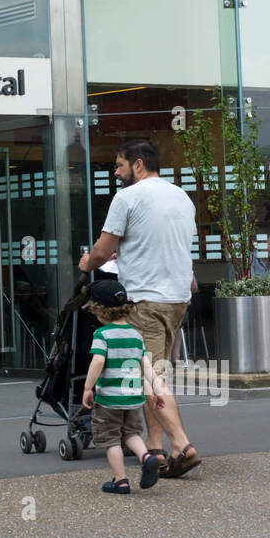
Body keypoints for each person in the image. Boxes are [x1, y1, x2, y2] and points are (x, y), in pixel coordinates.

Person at [78, 139, 200, 478]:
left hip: (145, 299)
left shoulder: (128, 197)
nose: (116, 173)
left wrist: (88, 261)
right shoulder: (181, 196)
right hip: (177, 299)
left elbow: (102, 251)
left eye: (119, 166)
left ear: (139, 164)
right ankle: (156, 450)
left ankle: (182, 445)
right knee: (154, 372)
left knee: (150, 379)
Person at [81, 279, 166, 494]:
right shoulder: (136, 336)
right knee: (131, 433)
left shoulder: (102, 335)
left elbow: (98, 361)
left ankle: (120, 480)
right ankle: (147, 457)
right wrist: (157, 391)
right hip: (133, 397)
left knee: (111, 439)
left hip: (109, 397)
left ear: (100, 311)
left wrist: (88, 387)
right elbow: (147, 367)